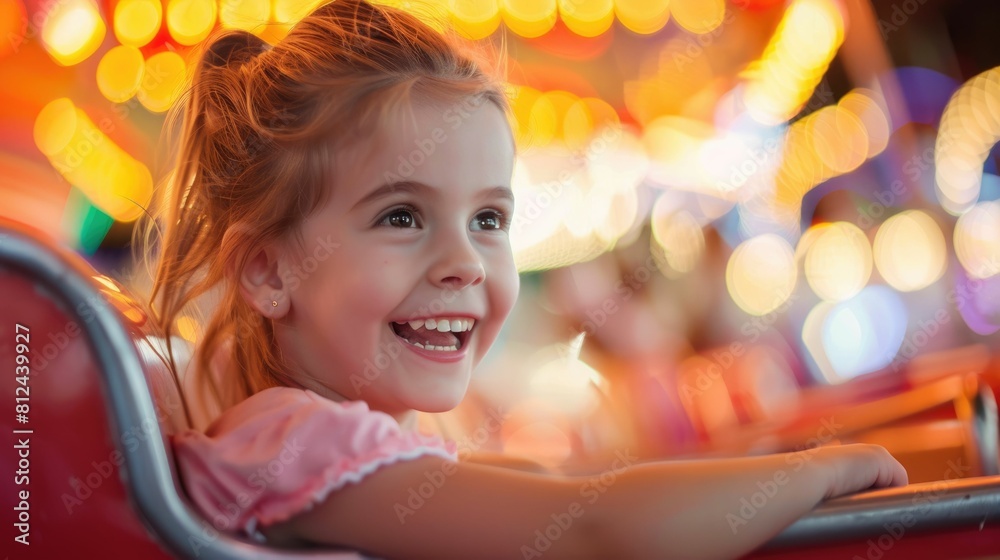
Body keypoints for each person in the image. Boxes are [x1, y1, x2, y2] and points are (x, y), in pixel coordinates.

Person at [140, 0, 908, 558]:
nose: (465, 262)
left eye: (488, 220)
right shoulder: (290, 440)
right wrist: (819, 470)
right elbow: (590, 528)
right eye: (402, 217)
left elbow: (558, 484)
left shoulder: (344, 443)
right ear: (268, 271)